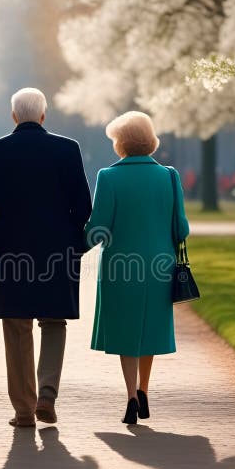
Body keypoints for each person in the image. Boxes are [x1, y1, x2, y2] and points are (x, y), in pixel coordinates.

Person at [0, 87, 92, 427]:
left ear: (13, 116)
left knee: (17, 325)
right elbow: (83, 207)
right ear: (43, 115)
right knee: (54, 322)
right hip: (57, 251)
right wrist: (76, 245)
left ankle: (24, 409)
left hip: (11, 252)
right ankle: (48, 394)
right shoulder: (67, 149)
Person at [85, 111, 189, 425]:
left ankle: (130, 395)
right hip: (160, 264)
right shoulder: (170, 176)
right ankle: (145, 389)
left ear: (121, 142)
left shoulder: (108, 176)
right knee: (150, 327)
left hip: (121, 264)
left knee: (127, 329)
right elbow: (181, 228)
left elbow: (97, 229)